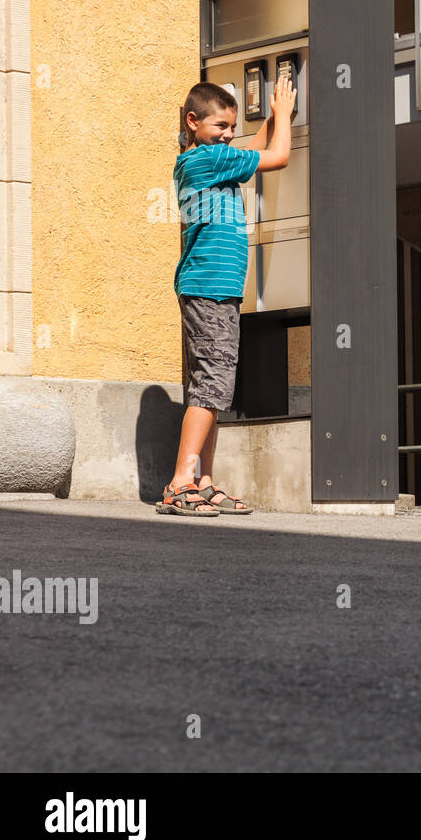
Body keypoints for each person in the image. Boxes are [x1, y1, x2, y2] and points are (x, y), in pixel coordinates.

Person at [156, 75, 295, 515]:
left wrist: (271, 117)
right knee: (212, 385)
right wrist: (286, 118)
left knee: (213, 389)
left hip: (218, 290)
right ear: (194, 122)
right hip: (209, 288)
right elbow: (278, 156)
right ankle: (181, 482)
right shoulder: (206, 161)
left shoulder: (208, 157)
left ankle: (204, 481)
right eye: (221, 126)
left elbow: (250, 146)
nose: (229, 134)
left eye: (232, 127)